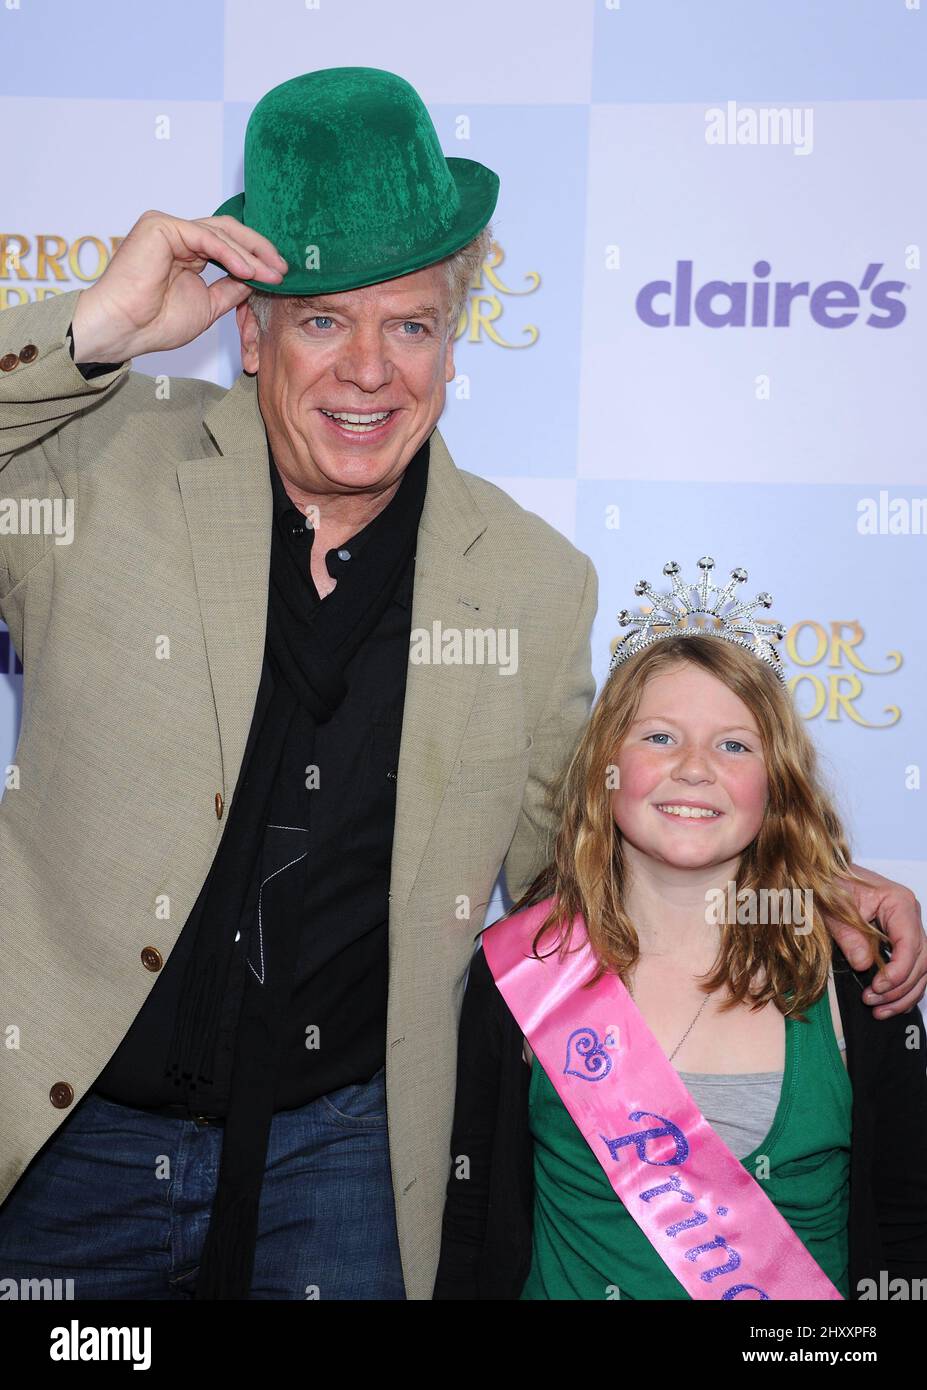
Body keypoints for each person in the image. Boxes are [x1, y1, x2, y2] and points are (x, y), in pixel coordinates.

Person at [0, 69, 923, 1303]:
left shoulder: (535, 584)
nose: (370, 371)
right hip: (66, 1141)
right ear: (251, 330)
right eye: (324, 319)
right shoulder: (98, 459)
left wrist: (793, 894)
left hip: (339, 1164)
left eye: (414, 324)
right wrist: (88, 335)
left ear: (455, 335)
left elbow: (578, 873)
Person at [433, 558, 927, 1300]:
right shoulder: (526, 970)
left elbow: (904, 1219)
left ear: (776, 785)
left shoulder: (853, 971)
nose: (694, 768)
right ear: (606, 768)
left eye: (734, 745)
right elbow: (469, 1222)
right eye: (659, 737)